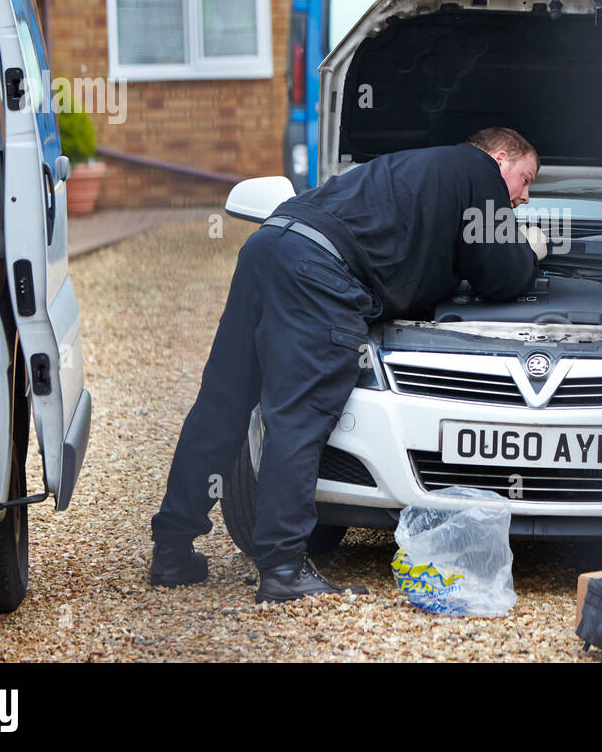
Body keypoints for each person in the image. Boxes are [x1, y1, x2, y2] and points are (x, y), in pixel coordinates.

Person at [149, 127, 547, 602]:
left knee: (223, 401)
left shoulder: (415, 165)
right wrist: (530, 251)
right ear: (502, 159)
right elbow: (500, 275)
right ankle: (282, 569)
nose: (522, 198)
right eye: (525, 180)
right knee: (298, 418)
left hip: (269, 243)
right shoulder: (477, 171)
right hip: (319, 272)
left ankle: (172, 550)